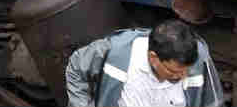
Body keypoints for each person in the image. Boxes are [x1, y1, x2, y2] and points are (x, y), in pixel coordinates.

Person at [66, 19, 224, 107]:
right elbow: (76, 68)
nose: (183, 76)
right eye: (173, 72)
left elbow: (213, 102)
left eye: (186, 71)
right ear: (153, 58)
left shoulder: (199, 57)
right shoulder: (115, 51)